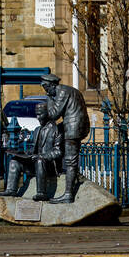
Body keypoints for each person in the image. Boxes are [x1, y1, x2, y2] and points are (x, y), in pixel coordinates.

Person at [40, 72, 90, 204]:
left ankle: (68, 194)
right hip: (74, 125)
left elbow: (53, 114)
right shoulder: (69, 90)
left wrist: (49, 98)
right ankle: (65, 177)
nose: (46, 91)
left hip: (73, 128)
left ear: (51, 85)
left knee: (70, 160)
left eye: (46, 88)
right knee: (66, 154)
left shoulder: (61, 92)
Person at [0, 103, 63, 201]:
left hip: (49, 166)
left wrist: (42, 156)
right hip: (35, 163)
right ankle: (11, 190)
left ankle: (41, 193)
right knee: (14, 161)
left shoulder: (57, 130)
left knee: (40, 161)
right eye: (36, 114)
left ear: (48, 114)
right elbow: (33, 149)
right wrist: (22, 154)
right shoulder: (37, 130)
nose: (38, 117)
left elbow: (58, 151)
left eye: (40, 114)